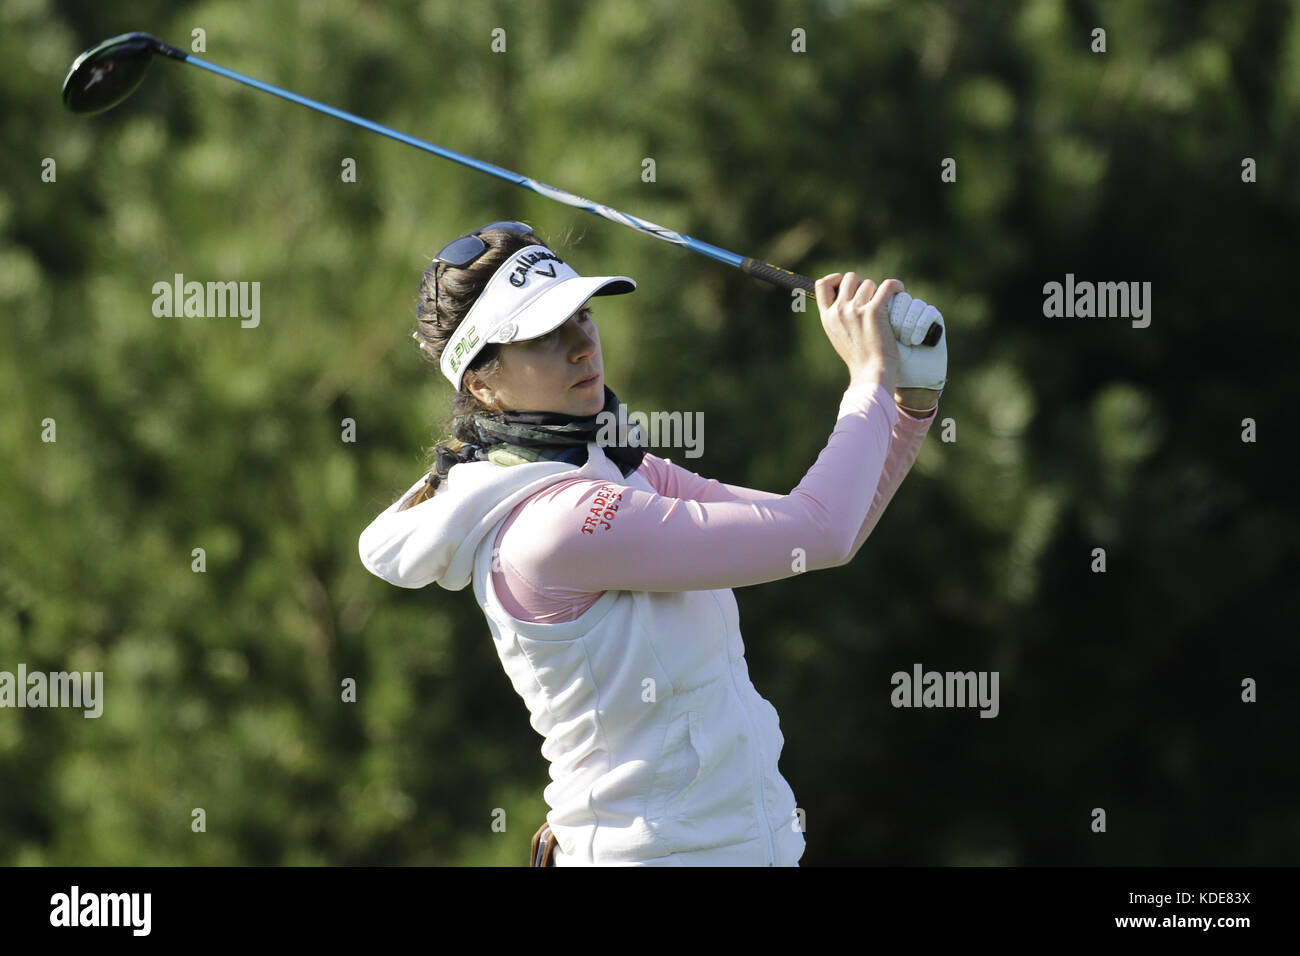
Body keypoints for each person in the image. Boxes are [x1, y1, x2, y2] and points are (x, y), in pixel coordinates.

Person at [358, 220, 947, 866]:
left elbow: (825, 529)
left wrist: (907, 402)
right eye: (544, 336)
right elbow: (821, 529)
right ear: (482, 383)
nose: (582, 346)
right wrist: (867, 380)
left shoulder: (621, 471)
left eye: (582, 317)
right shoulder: (555, 526)